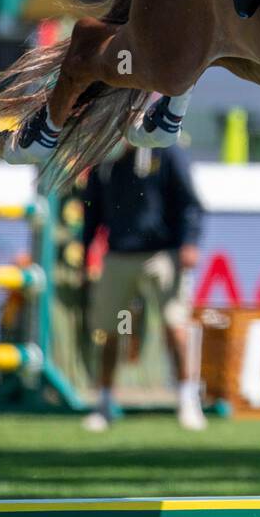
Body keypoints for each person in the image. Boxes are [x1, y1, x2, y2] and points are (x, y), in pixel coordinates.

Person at [80, 141, 206, 431]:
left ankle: (187, 399)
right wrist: (86, 251)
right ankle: (105, 402)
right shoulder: (106, 158)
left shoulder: (166, 151)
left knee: (174, 326)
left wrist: (190, 242)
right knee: (110, 332)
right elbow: (92, 208)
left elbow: (190, 202)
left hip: (163, 254)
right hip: (118, 255)